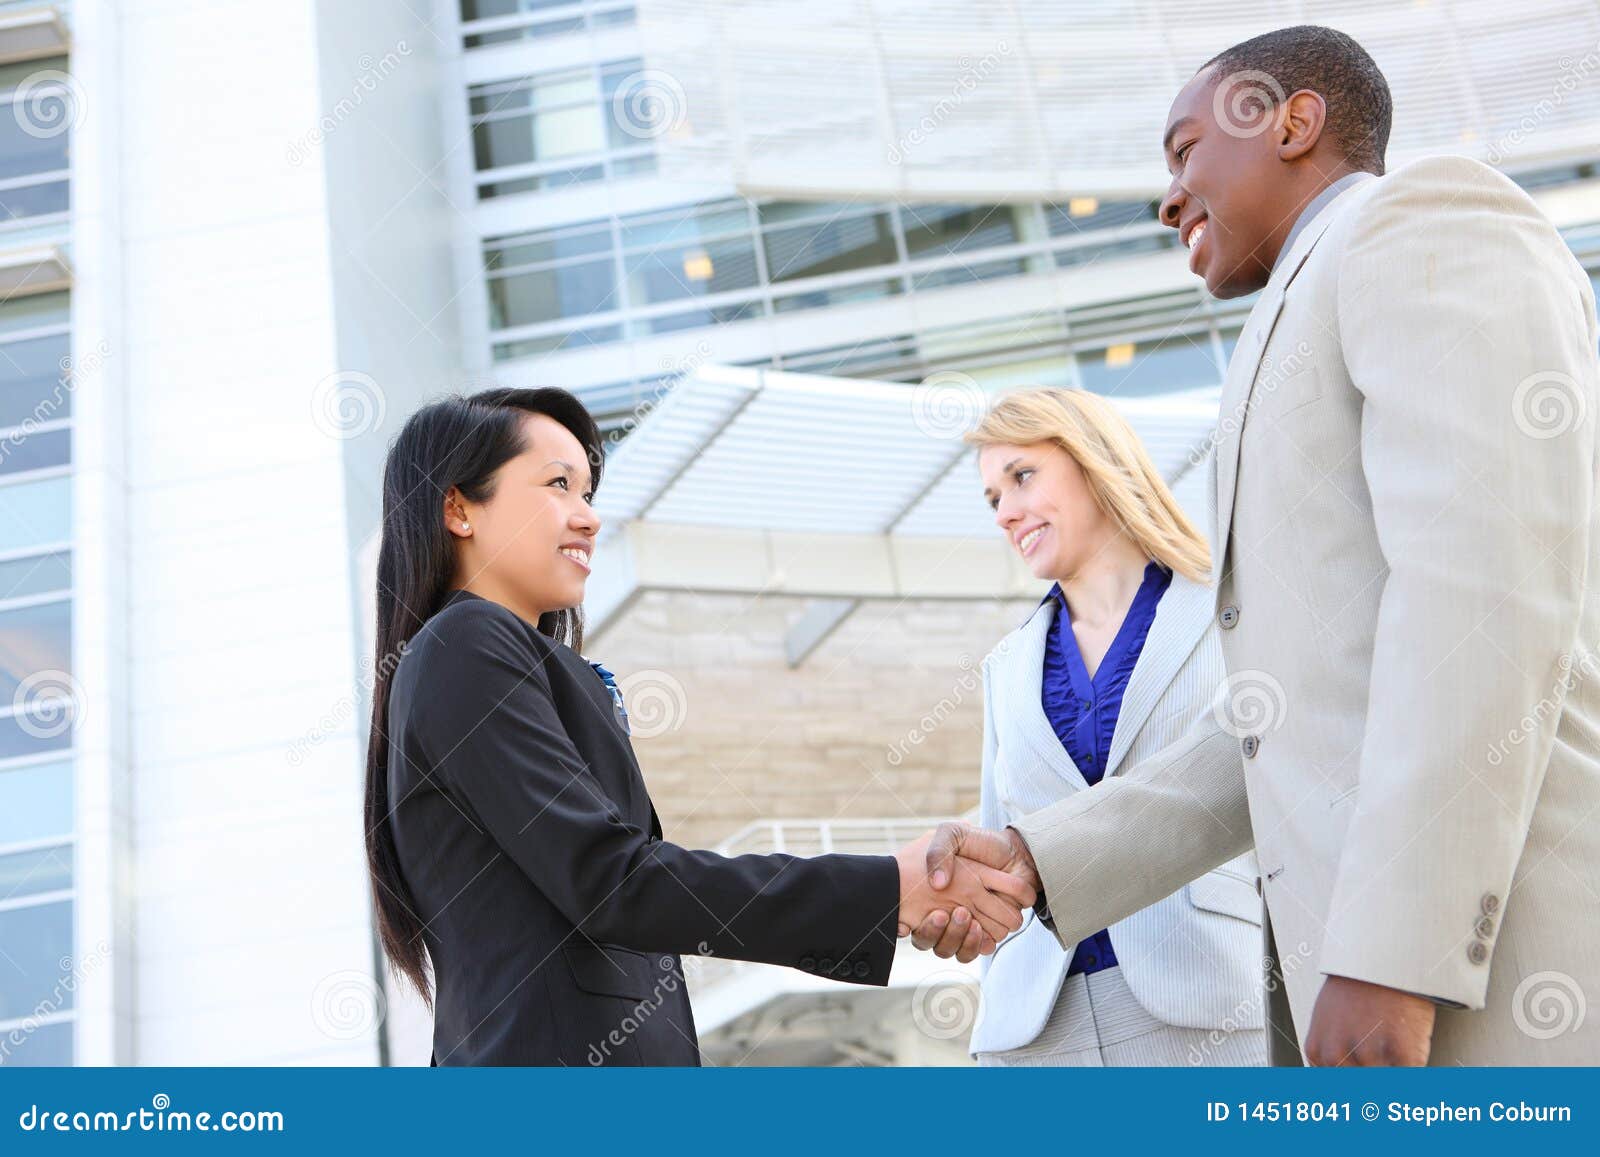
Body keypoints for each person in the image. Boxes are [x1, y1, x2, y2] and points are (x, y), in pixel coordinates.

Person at [910, 24, 1600, 1066]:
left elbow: (1485, 599)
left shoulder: (1417, 222)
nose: (1168, 195)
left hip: (1491, 983)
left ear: (1294, 122)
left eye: (1183, 150)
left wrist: (1392, 951)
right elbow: (1271, 728)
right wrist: (1036, 859)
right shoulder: (1292, 316)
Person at [363, 386, 1033, 1066]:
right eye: (557, 484)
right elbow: (613, 880)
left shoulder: (500, 657)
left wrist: (896, 892)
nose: (588, 518)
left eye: (589, 493)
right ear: (458, 508)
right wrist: (888, 888)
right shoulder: (466, 644)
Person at [962, 387, 1266, 1066]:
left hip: (1208, 999)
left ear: (1095, 460)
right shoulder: (1003, 668)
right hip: (1038, 1029)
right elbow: (996, 833)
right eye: (992, 499)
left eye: (1022, 476)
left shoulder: (1229, 611)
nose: (1007, 512)